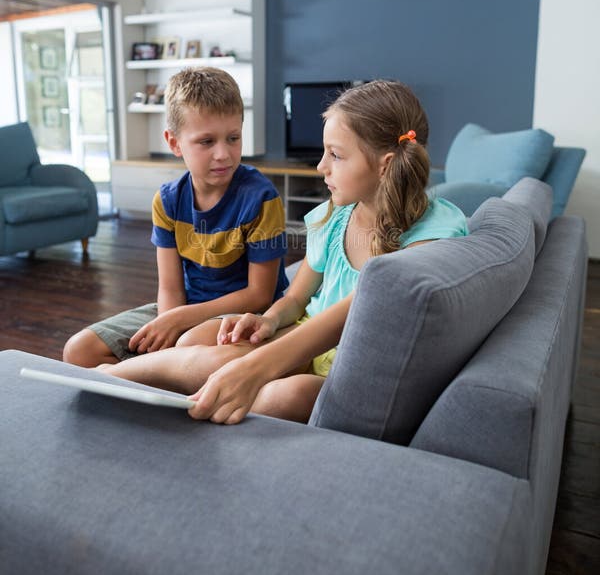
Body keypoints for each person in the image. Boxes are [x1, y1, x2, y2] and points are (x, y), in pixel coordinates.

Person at [99, 80, 468, 424]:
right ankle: (105, 378)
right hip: (304, 343)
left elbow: (351, 314)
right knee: (202, 347)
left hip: (351, 366)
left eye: (335, 155)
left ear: (385, 164)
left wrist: (256, 367)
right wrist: (270, 320)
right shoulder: (338, 217)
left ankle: (177, 397)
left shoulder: (433, 235)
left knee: (283, 395)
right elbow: (296, 296)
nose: (322, 166)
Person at [63, 67, 288, 367]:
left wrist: (179, 323)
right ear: (174, 143)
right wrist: (168, 323)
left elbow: (260, 295)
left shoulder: (261, 198)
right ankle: (152, 380)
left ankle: (148, 377)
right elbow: (170, 288)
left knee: (185, 345)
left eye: (233, 138)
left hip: (246, 315)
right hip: (186, 307)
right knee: (78, 351)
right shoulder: (167, 201)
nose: (223, 153)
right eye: (207, 142)